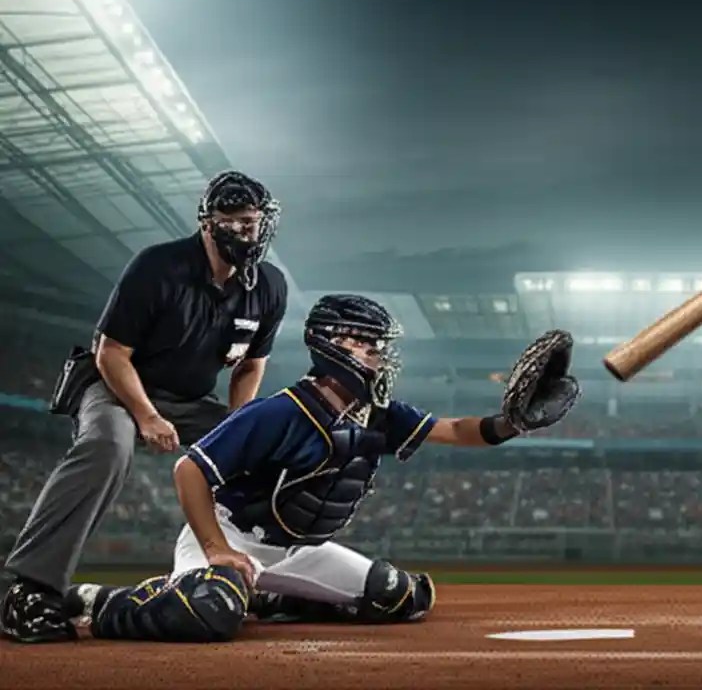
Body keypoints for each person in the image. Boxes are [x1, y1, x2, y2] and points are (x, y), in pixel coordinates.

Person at [61, 294, 581, 642]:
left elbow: (458, 430)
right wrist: (218, 550)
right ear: (336, 344)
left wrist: (511, 422)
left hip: (297, 550)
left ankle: (269, 597)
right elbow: (189, 471)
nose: (381, 356)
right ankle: (97, 601)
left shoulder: (378, 412)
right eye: (370, 344)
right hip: (229, 535)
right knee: (208, 612)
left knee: (402, 596)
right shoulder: (282, 410)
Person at [1, 171, 287, 643]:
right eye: (232, 222)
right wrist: (147, 415)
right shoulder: (158, 267)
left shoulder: (269, 286)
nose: (243, 232)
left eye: (251, 222)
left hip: (190, 400)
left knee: (266, 452)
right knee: (107, 446)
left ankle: (256, 576)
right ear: (208, 224)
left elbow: (250, 366)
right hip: (116, 386)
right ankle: (29, 589)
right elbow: (110, 352)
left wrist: (240, 426)